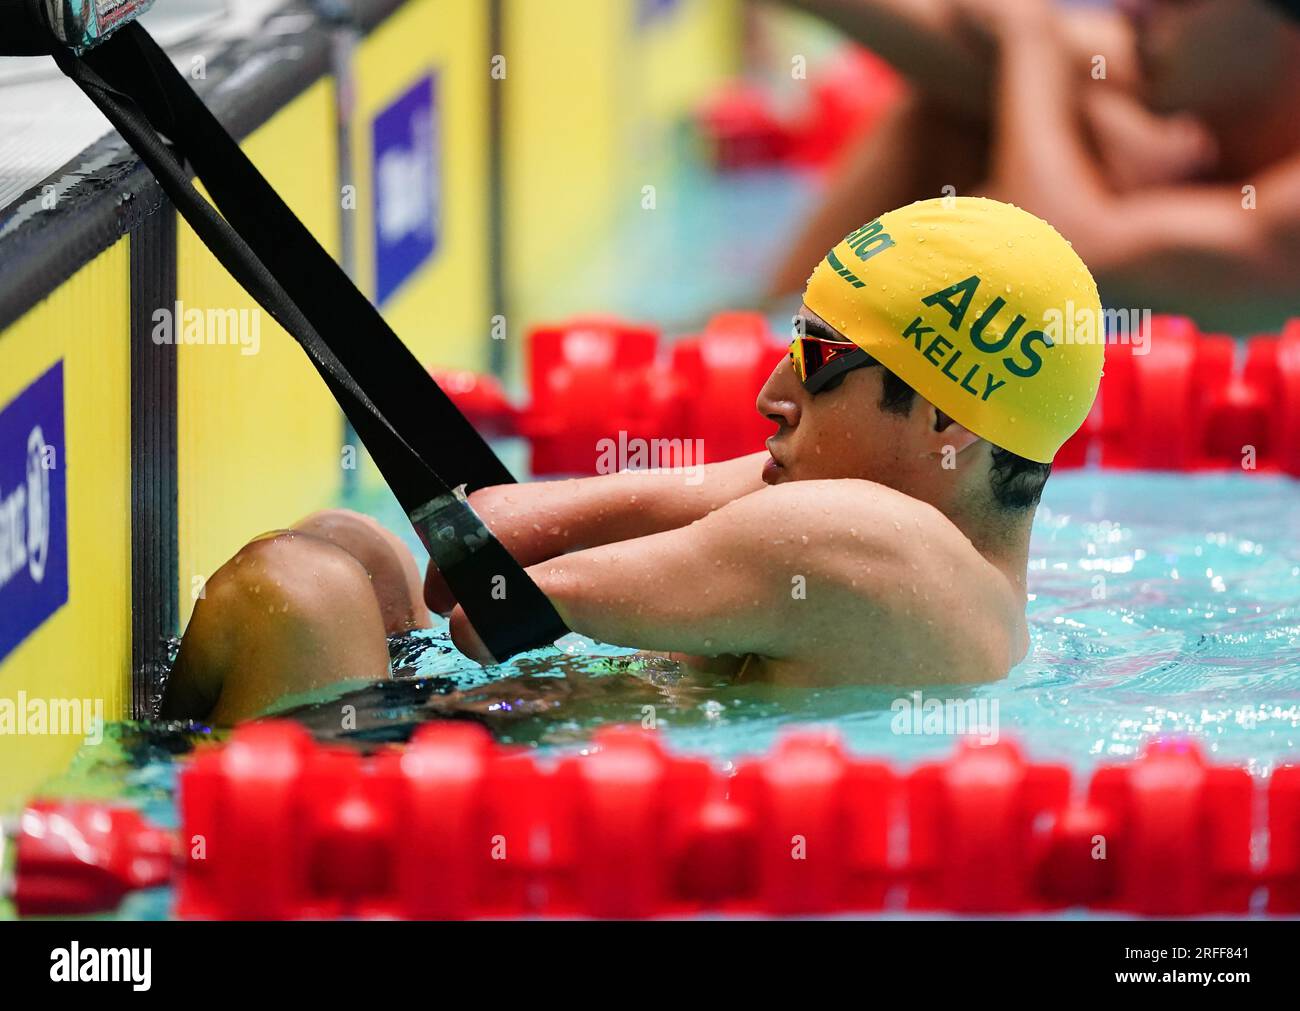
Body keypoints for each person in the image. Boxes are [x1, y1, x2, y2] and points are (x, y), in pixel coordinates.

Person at [162, 196, 1103, 725]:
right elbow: (483, 536)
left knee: (304, 589)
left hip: (448, 837)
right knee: (352, 549)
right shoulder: (911, 540)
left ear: (947, 420)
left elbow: (485, 608)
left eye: (819, 360)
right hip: (484, 763)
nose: (773, 392)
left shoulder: (875, 544)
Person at [767, 0, 1300, 334]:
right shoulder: (1194, 57)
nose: (1132, 9)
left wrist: (1031, 42)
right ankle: (773, 325)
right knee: (963, 111)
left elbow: (1070, 247)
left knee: (1024, 102)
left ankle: (782, 337)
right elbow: (956, 29)